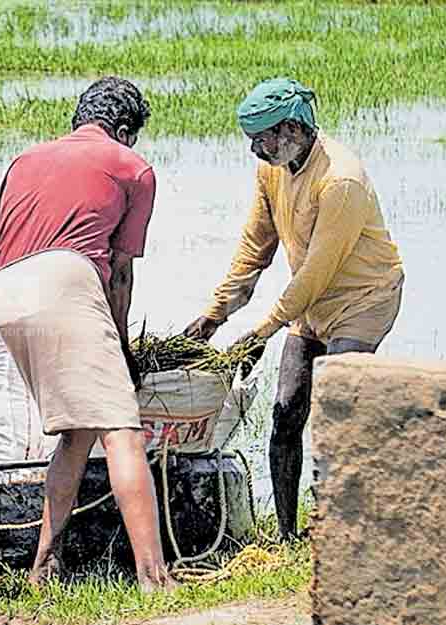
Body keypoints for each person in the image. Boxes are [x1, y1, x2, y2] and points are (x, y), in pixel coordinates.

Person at [183, 78, 405, 541]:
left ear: (291, 129)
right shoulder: (273, 170)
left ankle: (341, 526)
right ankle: (288, 535)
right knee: (286, 410)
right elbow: (255, 248)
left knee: (338, 406)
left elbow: (315, 274)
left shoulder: (340, 179)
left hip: (363, 298)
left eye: (261, 139)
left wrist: (260, 332)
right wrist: (214, 314)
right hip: (311, 305)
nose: (255, 150)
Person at [0, 76, 175, 589]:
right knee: (123, 429)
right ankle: (154, 577)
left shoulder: (24, 161)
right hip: (68, 280)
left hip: (5, 293)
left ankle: (45, 565)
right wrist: (122, 346)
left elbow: (2, 244)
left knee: (77, 432)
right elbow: (119, 273)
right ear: (123, 130)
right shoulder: (132, 167)